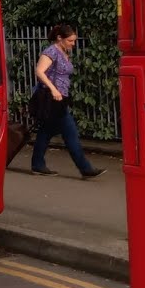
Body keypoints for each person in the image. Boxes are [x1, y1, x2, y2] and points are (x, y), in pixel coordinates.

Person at [29, 24, 105, 178]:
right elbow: (39, 71)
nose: (73, 44)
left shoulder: (63, 52)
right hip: (53, 98)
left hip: (61, 98)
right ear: (60, 39)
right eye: (70, 41)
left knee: (45, 131)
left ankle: (37, 164)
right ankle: (85, 169)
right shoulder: (51, 52)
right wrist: (54, 89)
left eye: (74, 41)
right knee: (70, 133)